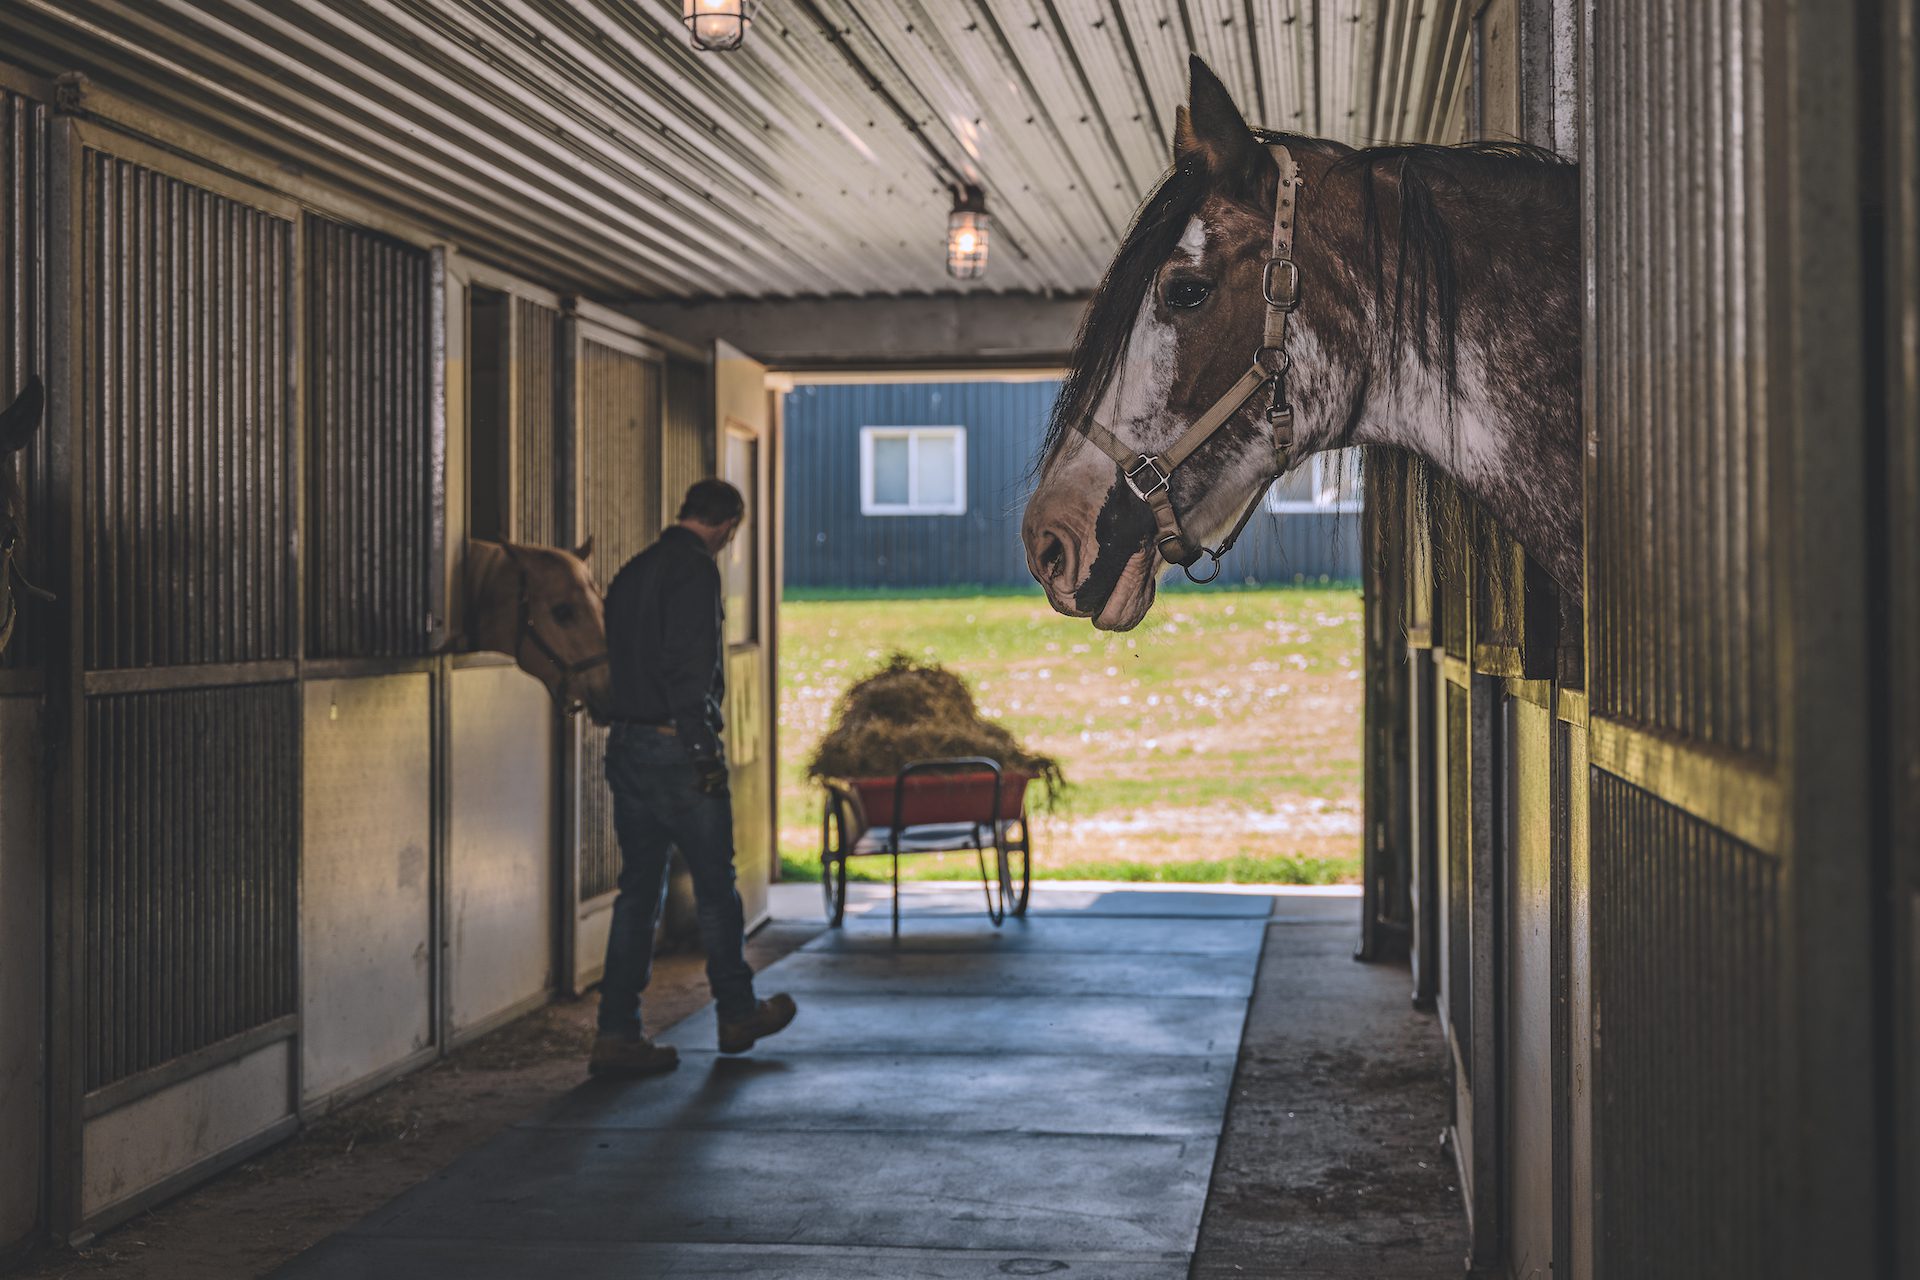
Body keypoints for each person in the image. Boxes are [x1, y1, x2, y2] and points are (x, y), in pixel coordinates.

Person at [589, 478, 795, 1077]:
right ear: (730, 525)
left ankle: (616, 1032)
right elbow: (690, 667)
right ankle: (736, 1012)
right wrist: (703, 751)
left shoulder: (633, 570)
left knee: (637, 893)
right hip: (677, 749)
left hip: (626, 746)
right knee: (715, 887)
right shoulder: (696, 572)